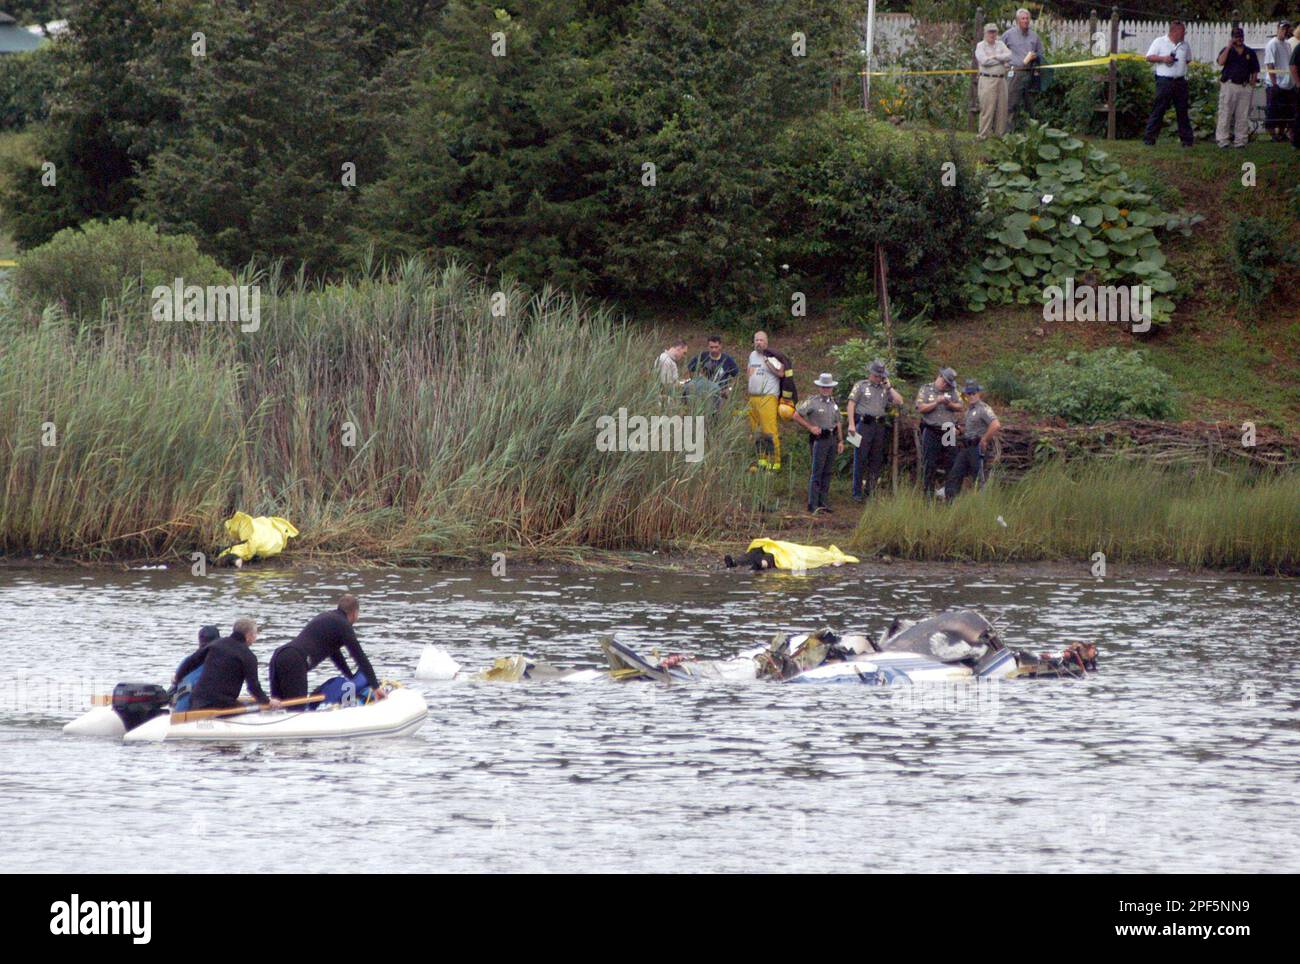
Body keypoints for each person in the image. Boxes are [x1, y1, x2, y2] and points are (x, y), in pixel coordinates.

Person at [268, 594, 384, 705]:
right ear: (354, 613)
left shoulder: (327, 618)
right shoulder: (344, 625)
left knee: (278, 706)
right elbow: (360, 658)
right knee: (296, 710)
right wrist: (375, 687)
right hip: (295, 660)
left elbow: (335, 655)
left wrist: (351, 678)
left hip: (278, 655)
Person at [189, 617, 277, 711]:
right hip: (219, 704)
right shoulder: (248, 656)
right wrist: (267, 701)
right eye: (255, 634)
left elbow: (190, 662)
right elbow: (253, 687)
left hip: (197, 700)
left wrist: (176, 678)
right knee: (252, 710)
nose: (255, 638)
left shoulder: (218, 646)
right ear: (248, 636)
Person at [847, 360, 904, 502]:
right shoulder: (861, 385)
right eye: (877, 375)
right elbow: (851, 404)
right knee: (860, 458)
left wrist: (889, 387)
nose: (879, 378)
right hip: (863, 424)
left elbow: (899, 401)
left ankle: (870, 491)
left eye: (881, 376)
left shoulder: (885, 388)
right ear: (871, 374)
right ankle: (857, 492)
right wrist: (851, 424)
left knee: (876, 459)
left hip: (879, 426)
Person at [795, 373, 844, 514]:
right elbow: (796, 415)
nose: (826, 390)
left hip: (832, 438)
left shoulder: (834, 403)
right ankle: (813, 503)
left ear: (832, 388)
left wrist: (840, 440)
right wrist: (810, 427)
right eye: (823, 387)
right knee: (817, 471)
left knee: (827, 472)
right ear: (819, 388)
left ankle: (823, 502)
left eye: (828, 387)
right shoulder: (812, 402)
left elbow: (838, 422)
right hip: (819, 439)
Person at [943, 382, 1001, 500]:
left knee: (978, 479)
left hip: (977, 448)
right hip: (966, 447)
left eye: (973, 393)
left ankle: (981, 506)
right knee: (955, 474)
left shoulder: (983, 408)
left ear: (979, 394)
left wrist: (985, 439)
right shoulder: (969, 410)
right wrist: (959, 430)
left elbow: (996, 424)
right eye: (968, 394)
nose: (971, 396)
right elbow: (969, 429)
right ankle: (950, 503)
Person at [1143, 20, 1195, 148]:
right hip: (1164, 81)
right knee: (1159, 109)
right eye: (1183, 32)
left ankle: (1186, 140)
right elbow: (1149, 57)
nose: (1184, 34)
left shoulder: (1185, 45)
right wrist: (1163, 59)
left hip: (1180, 81)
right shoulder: (1159, 42)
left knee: (1182, 110)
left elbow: (1188, 60)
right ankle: (1149, 138)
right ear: (1174, 31)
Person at [915, 367, 963, 497]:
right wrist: (937, 402)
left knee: (951, 463)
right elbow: (920, 408)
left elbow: (961, 406)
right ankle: (928, 496)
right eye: (945, 382)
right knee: (929, 463)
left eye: (948, 383)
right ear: (939, 376)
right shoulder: (925, 389)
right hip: (931, 430)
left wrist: (950, 404)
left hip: (948, 430)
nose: (946, 385)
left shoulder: (953, 391)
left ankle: (950, 496)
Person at [1216, 27, 1260, 149]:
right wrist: (1229, 47)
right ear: (1232, 38)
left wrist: (1252, 82)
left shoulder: (1249, 52)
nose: (1239, 39)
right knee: (1225, 113)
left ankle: (1240, 140)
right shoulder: (1227, 50)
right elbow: (1220, 62)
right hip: (1229, 85)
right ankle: (1223, 140)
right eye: (1236, 37)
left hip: (1244, 86)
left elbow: (1255, 69)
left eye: (1240, 36)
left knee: (1243, 115)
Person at [746, 331, 784, 471]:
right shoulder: (752, 355)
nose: (759, 343)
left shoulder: (772, 355)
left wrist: (768, 361)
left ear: (766, 342)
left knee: (769, 431)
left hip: (768, 397)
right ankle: (762, 461)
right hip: (753, 398)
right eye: (756, 340)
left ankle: (775, 462)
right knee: (757, 431)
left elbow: (781, 373)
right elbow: (749, 372)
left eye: (761, 340)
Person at [1002, 9, 1044, 129]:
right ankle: (1008, 133)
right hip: (1014, 72)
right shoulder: (1008, 34)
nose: (1025, 21)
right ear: (1017, 21)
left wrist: (1035, 56)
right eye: (1023, 19)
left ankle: (1030, 133)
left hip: (1029, 73)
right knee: (1011, 104)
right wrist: (1004, 63)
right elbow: (999, 49)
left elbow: (1041, 53)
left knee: (1029, 105)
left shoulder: (1034, 36)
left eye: (1027, 18)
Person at [975, 23, 1013, 139]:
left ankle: (1000, 135)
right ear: (985, 33)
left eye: (994, 32)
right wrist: (1001, 60)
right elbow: (984, 61)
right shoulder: (980, 46)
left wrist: (994, 56)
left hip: (1001, 80)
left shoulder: (1000, 44)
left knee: (1002, 108)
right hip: (987, 79)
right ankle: (983, 134)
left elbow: (1010, 55)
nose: (992, 34)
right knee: (987, 108)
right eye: (990, 32)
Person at [170, 624, 220, 710]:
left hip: (179, 712)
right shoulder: (219, 663)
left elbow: (174, 682)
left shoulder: (186, 662)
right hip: (197, 713)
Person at [1264, 22, 1295, 142]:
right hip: (1275, 84)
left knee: (1285, 111)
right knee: (1273, 111)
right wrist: (1274, 83)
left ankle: (1281, 134)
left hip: (1287, 84)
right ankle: (1273, 135)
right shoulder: (1272, 44)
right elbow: (1269, 64)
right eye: (1282, 28)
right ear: (1278, 29)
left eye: (1286, 29)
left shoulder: (1287, 44)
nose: (1284, 31)